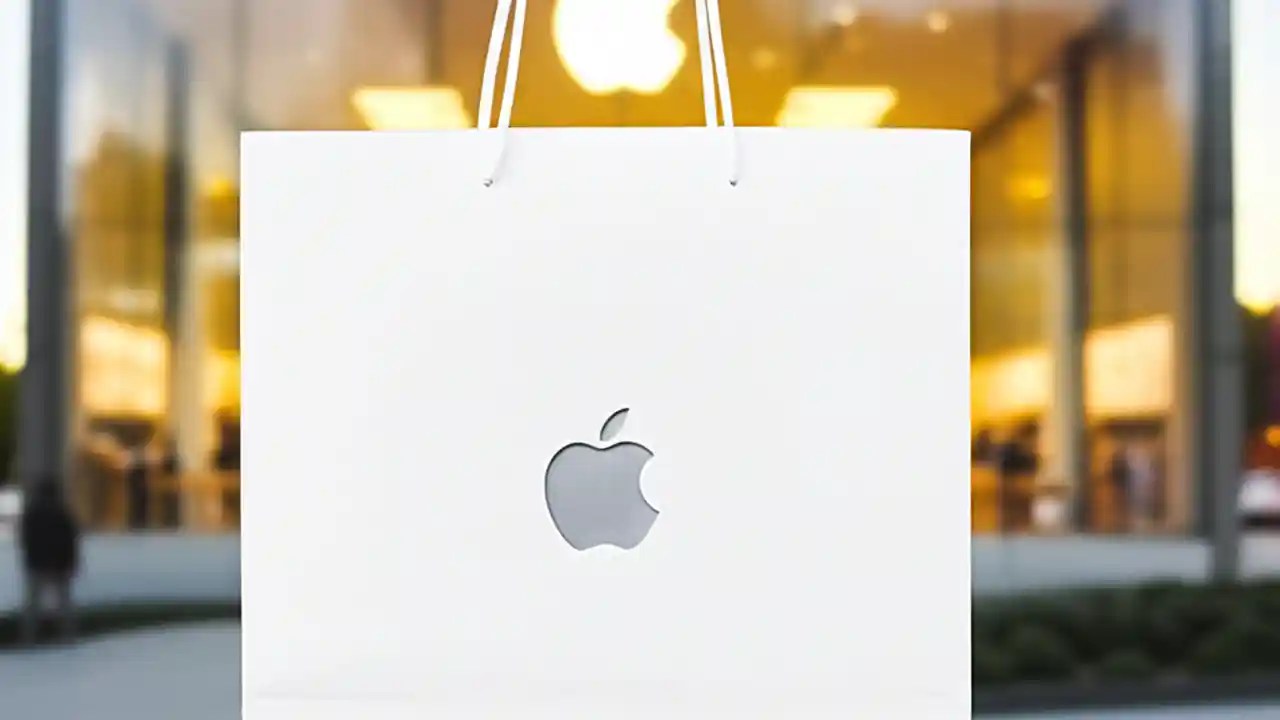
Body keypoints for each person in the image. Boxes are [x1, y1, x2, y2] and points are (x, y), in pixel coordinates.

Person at [18, 479, 81, 643]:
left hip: (37, 563)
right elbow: (71, 540)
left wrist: (29, 559)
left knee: (33, 603)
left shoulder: (32, 513)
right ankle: (68, 636)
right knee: (64, 602)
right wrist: (71, 564)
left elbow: (25, 539)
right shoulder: (63, 513)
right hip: (59, 564)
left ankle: (29, 637)